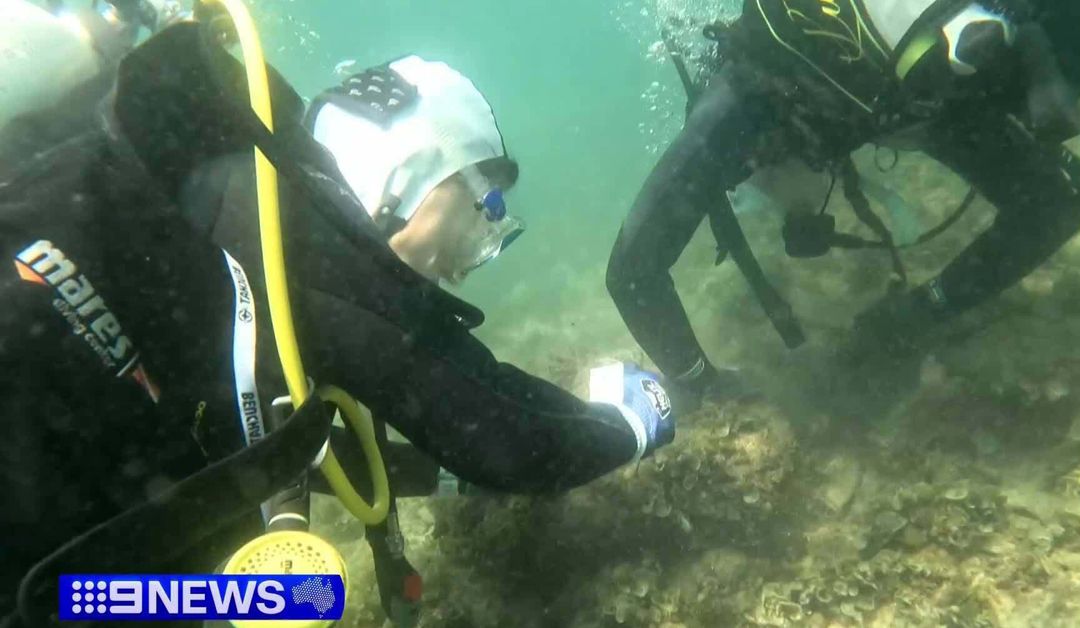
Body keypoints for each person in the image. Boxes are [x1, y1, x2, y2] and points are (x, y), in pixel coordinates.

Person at [0, 5, 674, 625]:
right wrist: (630, 424)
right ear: (419, 169)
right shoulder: (312, 253)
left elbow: (307, 440)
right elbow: (509, 442)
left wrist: (445, 475)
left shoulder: (236, 195)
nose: (479, 255)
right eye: (487, 213)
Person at [606, 0, 1080, 405]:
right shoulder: (759, 97)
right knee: (1050, 207)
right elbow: (633, 273)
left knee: (1050, 205)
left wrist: (700, 386)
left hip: (915, 91)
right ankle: (906, 321)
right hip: (917, 95)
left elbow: (633, 270)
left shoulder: (749, 101)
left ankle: (907, 321)